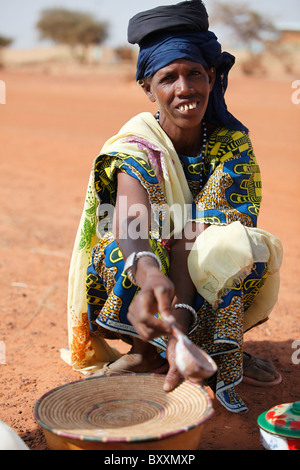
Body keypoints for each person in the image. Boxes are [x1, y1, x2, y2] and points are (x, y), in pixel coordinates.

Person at [64, 0, 283, 414]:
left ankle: (214, 348)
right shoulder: (137, 144)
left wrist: (179, 319)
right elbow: (131, 220)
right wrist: (148, 275)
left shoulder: (230, 144)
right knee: (116, 250)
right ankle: (147, 350)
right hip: (155, 258)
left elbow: (201, 231)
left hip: (198, 256)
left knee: (231, 248)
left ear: (211, 77)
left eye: (194, 73)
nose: (184, 89)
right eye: (168, 78)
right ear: (148, 88)